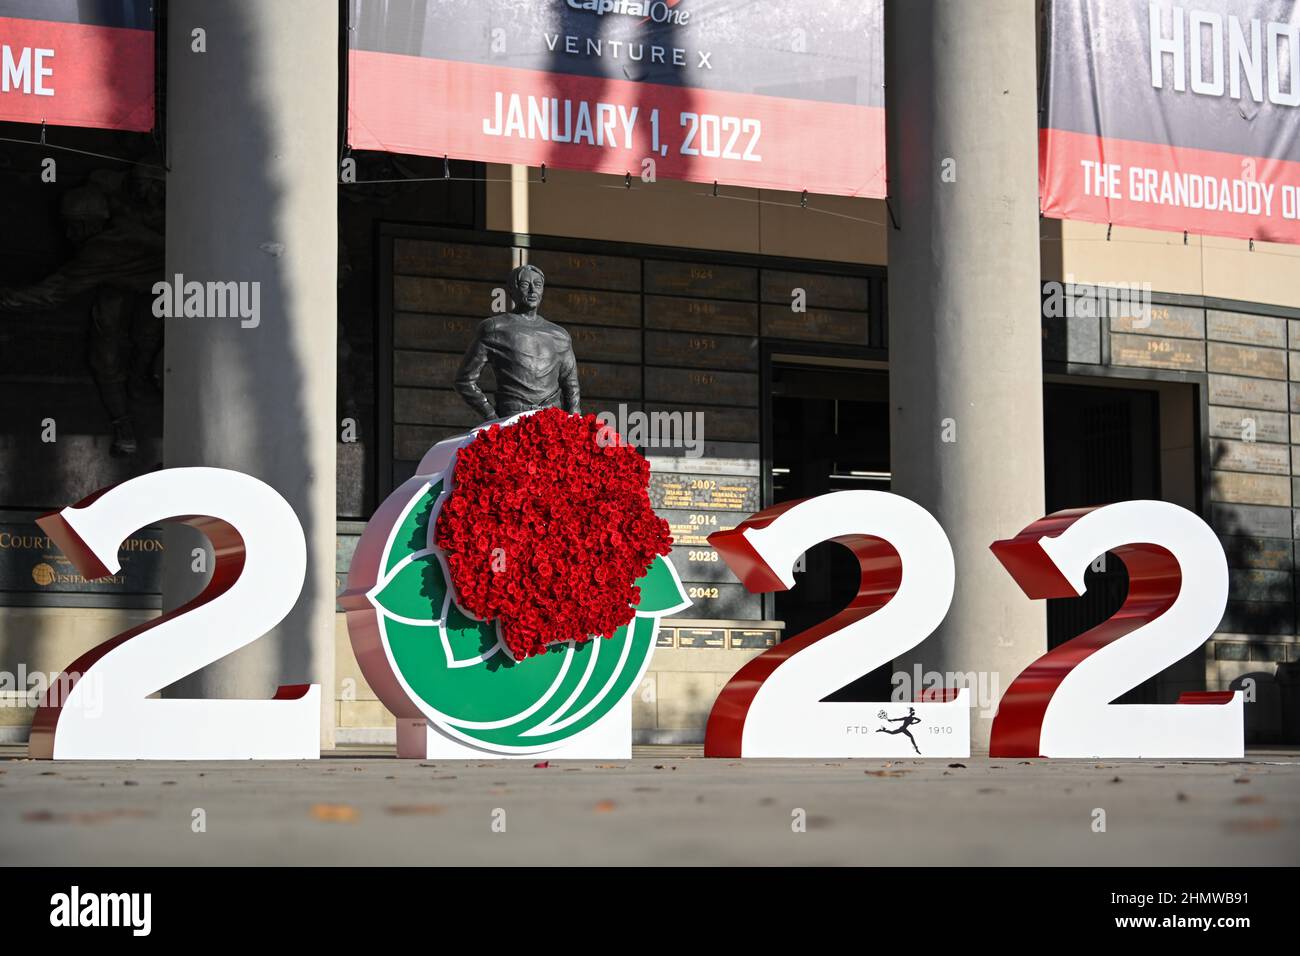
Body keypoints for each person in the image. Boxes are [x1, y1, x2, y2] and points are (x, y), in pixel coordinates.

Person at [454, 264, 581, 420]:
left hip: (552, 424)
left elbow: (571, 386)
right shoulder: (494, 328)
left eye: (538, 285)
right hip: (512, 420)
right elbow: (464, 381)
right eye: (525, 285)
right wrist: (492, 417)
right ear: (512, 290)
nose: (532, 290)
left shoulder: (560, 334)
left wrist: (574, 428)